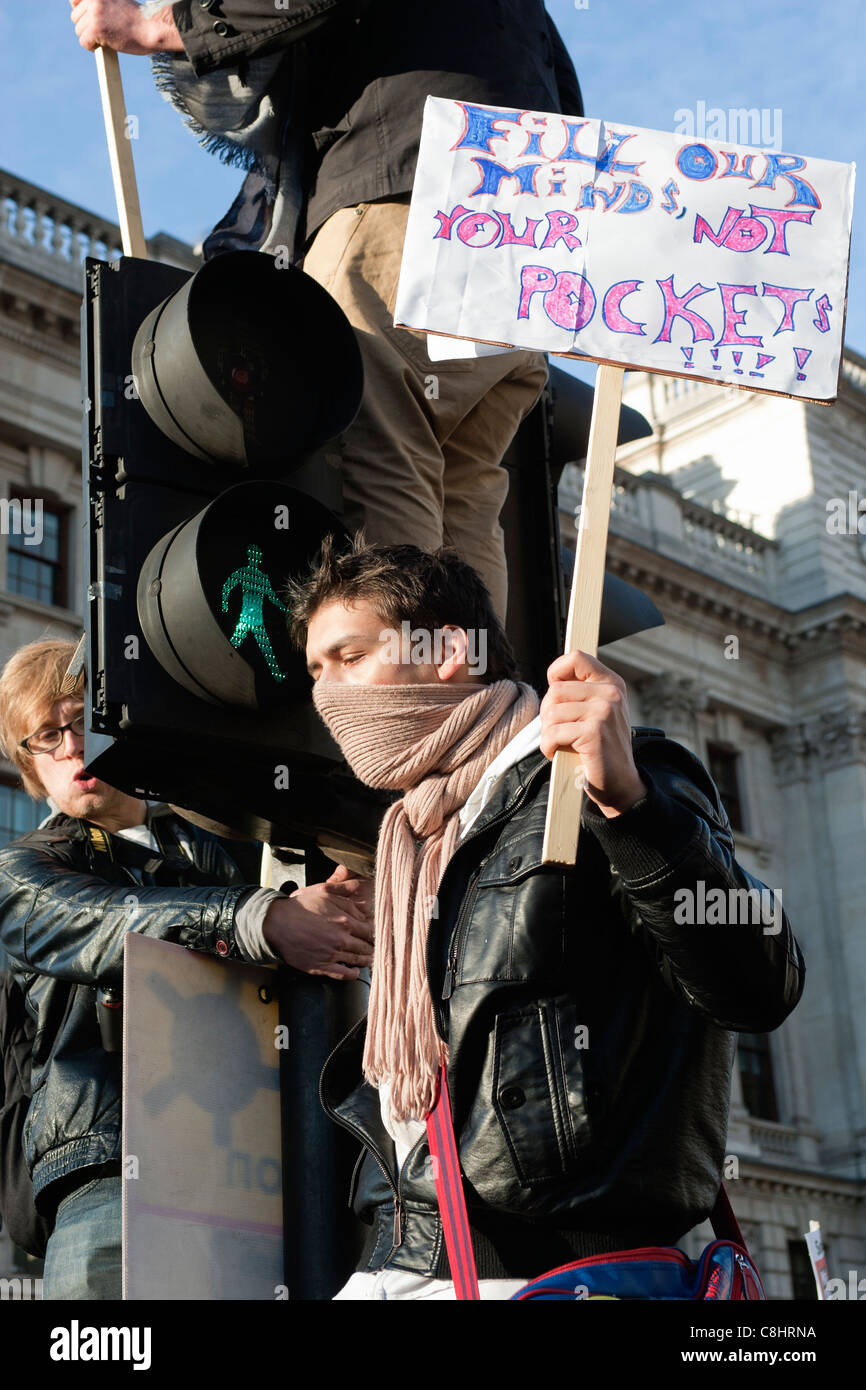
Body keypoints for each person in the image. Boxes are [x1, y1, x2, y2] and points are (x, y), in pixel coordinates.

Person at [284, 538, 806, 1300]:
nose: (328, 694)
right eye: (316, 672)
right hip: (409, 1257)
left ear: (448, 651)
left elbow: (760, 984)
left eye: (350, 656)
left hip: (555, 1269)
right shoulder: (416, 836)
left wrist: (633, 808)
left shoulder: (612, 774)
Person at [68, 0, 584, 619]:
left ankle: (404, 701)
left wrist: (158, 25)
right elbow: (563, 97)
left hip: (402, 196)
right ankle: (473, 700)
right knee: (467, 491)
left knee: (381, 447)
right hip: (527, 239)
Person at [0, 638, 373, 1298]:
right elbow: (106, 923)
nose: (71, 746)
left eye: (85, 719)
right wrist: (261, 919)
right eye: (47, 734)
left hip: (271, 1169)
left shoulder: (234, 849)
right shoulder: (23, 872)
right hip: (111, 1171)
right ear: (27, 766)